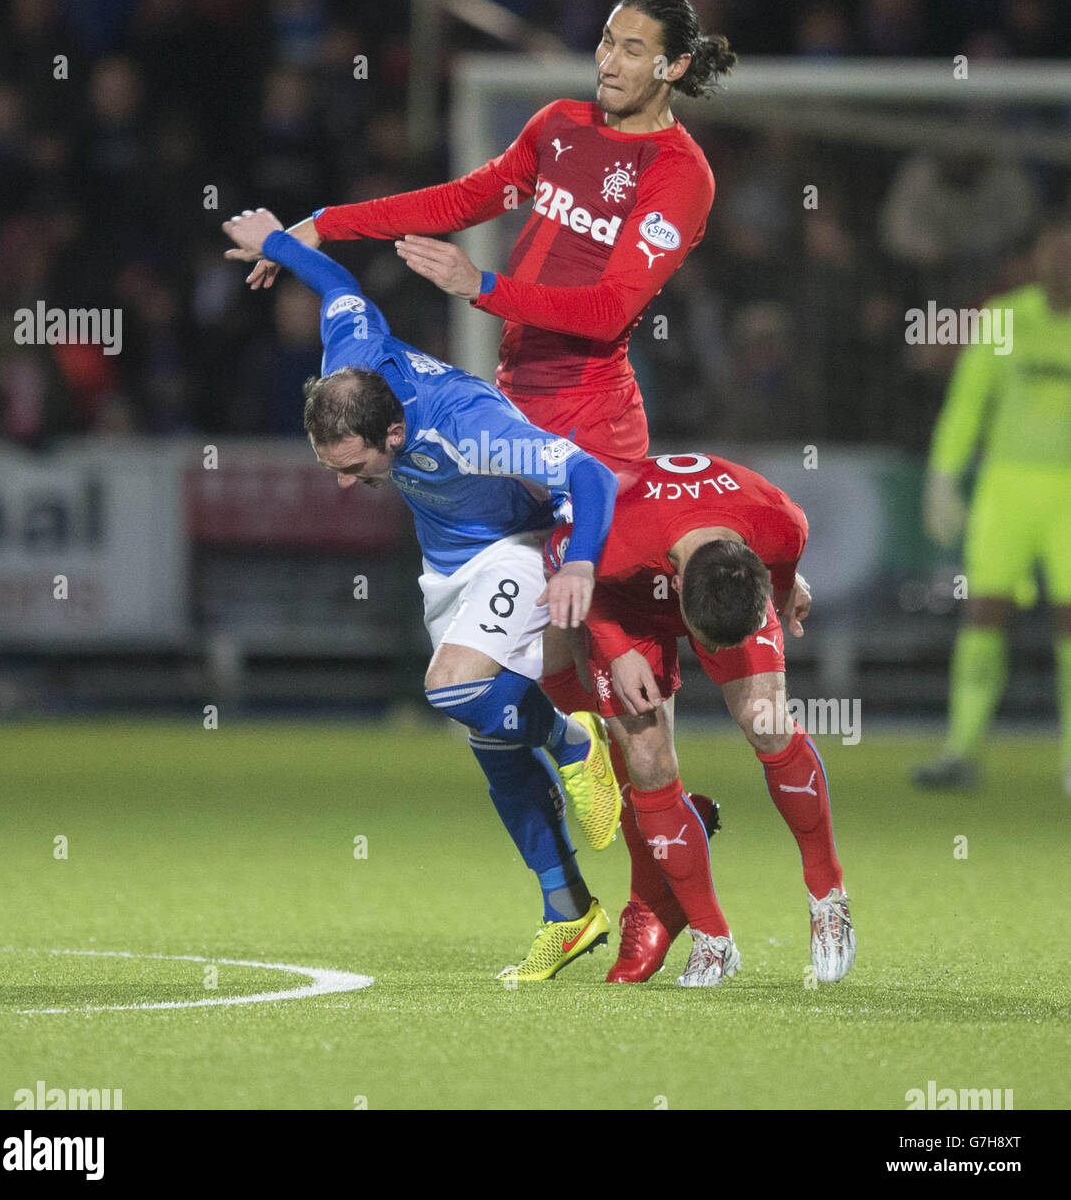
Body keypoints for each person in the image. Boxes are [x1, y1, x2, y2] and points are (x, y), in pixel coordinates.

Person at [243, 0, 736, 852]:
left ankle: (666, 827)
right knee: (543, 656)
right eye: (607, 41)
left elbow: (612, 308)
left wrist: (483, 288)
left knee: (609, 644)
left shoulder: (679, 174)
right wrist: (323, 225)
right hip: (520, 398)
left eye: (631, 49)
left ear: (675, 67)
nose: (609, 61)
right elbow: (459, 199)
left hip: (594, 415)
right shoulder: (558, 126)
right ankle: (649, 814)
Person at [222, 207, 622, 981]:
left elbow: (590, 474)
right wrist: (276, 242)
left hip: (516, 545)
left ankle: (575, 742)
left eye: (353, 467)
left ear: (396, 436)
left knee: (452, 688)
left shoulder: (470, 428)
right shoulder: (352, 360)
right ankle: (568, 911)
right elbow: (337, 281)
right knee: (492, 740)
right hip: (448, 566)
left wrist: (581, 565)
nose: (343, 484)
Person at [545, 450, 854, 988]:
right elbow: (566, 564)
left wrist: (784, 595)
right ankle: (713, 938)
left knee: (766, 717)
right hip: (627, 601)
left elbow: (783, 566)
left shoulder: (782, 524)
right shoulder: (616, 531)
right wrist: (618, 651)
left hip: (718, 563)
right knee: (646, 761)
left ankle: (828, 897)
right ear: (680, 589)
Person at [916, 218, 1071, 794]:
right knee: (983, 612)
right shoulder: (1006, 319)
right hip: (1005, 491)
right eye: (1054, 251)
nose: (1063, 264)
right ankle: (962, 751)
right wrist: (943, 476)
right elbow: (967, 405)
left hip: (1069, 495)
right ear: (1037, 259)